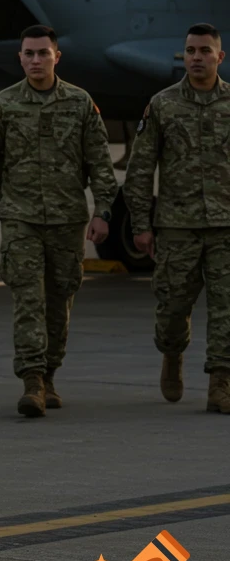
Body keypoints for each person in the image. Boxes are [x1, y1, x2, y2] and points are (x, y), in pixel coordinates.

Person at [0, 25, 117, 417]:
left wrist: (102, 212)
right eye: (29, 54)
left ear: (56, 57)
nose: (35, 60)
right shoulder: (5, 104)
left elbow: (100, 164)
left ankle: (50, 375)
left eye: (42, 53)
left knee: (59, 300)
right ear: (20, 58)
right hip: (20, 218)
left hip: (68, 219)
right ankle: (31, 381)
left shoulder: (80, 103)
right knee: (28, 300)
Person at [124, 23, 230, 413]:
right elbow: (139, 169)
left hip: (226, 226)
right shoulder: (163, 105)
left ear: (220, 57)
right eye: (190, 50)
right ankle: (172, 355)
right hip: (176, 228)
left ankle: (221, 383)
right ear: (182, 56)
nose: (197, 57)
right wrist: (140, 225)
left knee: (227, 309)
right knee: (172, 311)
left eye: (205, 50)